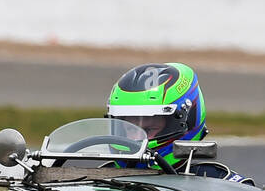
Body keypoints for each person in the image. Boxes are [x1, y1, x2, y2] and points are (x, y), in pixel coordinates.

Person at [105, 62, 253, 184]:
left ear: (187, 121)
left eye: (149, 129)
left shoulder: (223, 183)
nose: (136, 138)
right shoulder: (102, 177)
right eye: (129, 128)